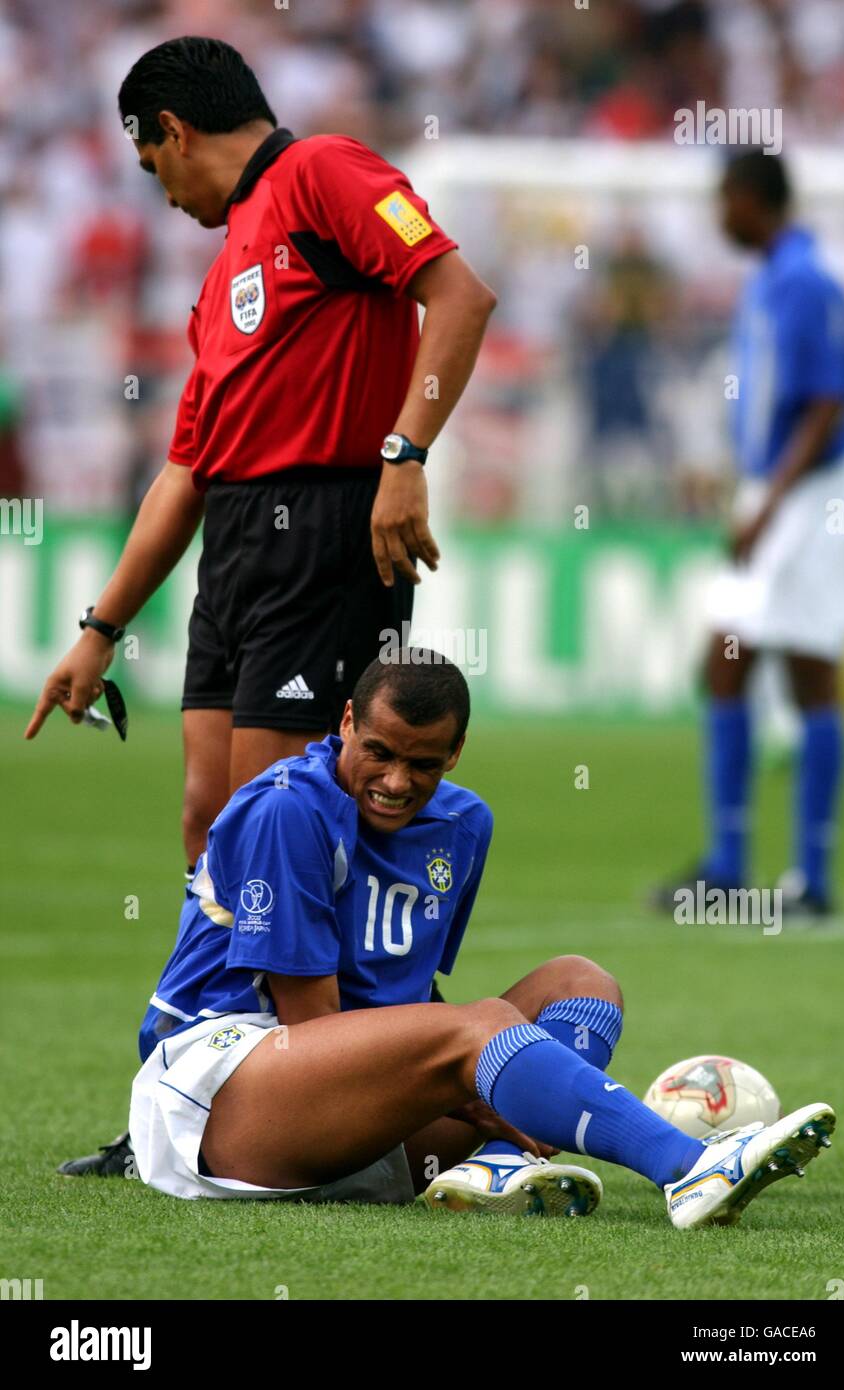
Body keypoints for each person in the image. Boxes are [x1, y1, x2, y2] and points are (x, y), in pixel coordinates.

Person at [26, 36, 496, 1173]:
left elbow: (459, 294)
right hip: (236, 546)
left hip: (330, 527)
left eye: (153, 166)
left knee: (282, 821)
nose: (162, 194)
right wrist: (99, 630)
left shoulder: (323, 172)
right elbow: (185, 469)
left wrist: (404, 454)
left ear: (173, 131)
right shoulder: (222, 274)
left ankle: (320, 1098)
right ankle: (188, 1081)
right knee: (214, 821)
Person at [129, 653, 834, 1228]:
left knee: (580, 983)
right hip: (221, 1101)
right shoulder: (288, 809)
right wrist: (471, 1089)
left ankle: (501, 1164)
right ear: (345, 722)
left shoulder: (464, 825)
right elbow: (311, 1025)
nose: (396, 782)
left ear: (457, 751)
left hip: (353, 1115)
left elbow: (411, 994)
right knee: (482, 1030)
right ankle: (690, 1167)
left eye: (424, 764)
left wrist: (475, 1087)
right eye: (378, 752)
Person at [655, 150, 844, 917]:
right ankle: (731, 865)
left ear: (752, 199)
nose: (720, 216)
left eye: (725, 200)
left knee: (805, 667)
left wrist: (770, 502)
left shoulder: (805, 281)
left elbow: (830, 402)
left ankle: (807, 878)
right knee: (728, 663)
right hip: (783, 490)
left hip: (818, 493)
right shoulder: (777, 277)